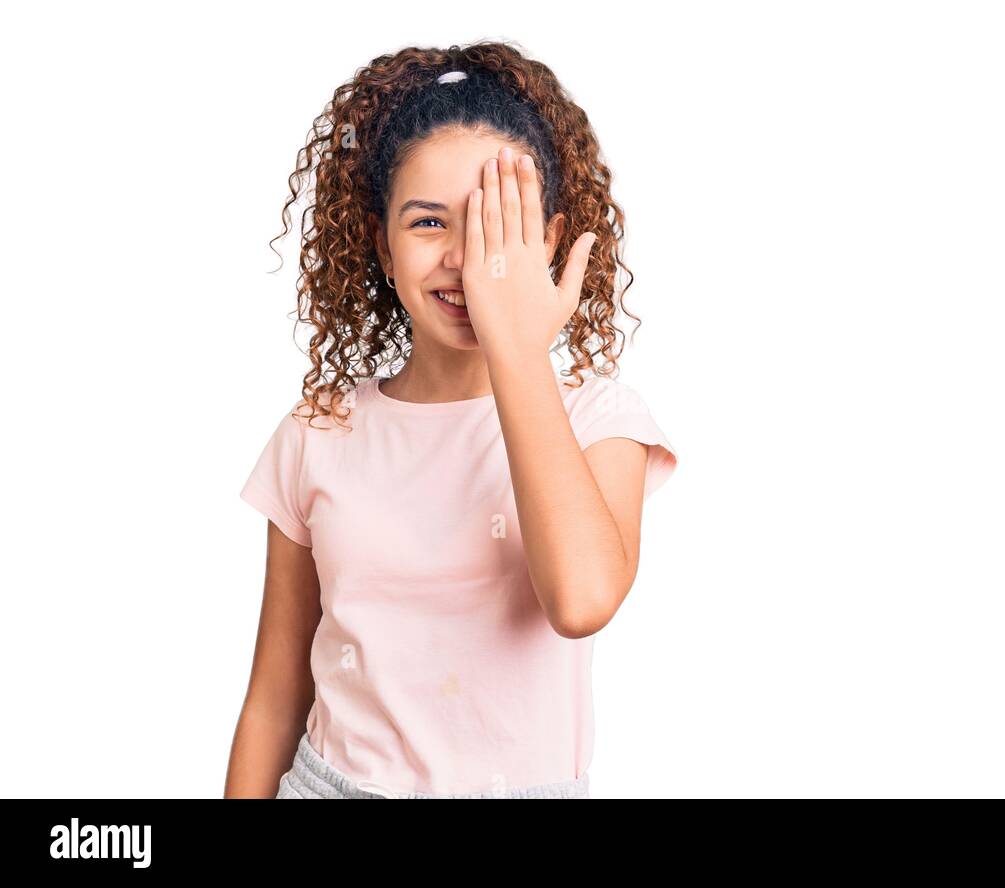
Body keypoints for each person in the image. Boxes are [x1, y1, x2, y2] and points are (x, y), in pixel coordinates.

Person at [223, 41, 678, 799]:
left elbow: (581, 600)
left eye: (498, 225)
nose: (467, 261)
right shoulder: (316, 433)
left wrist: (517, 345)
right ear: (382, 245)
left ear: (551, 242)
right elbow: (274, 699)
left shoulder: (600, 418)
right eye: (429, 223)